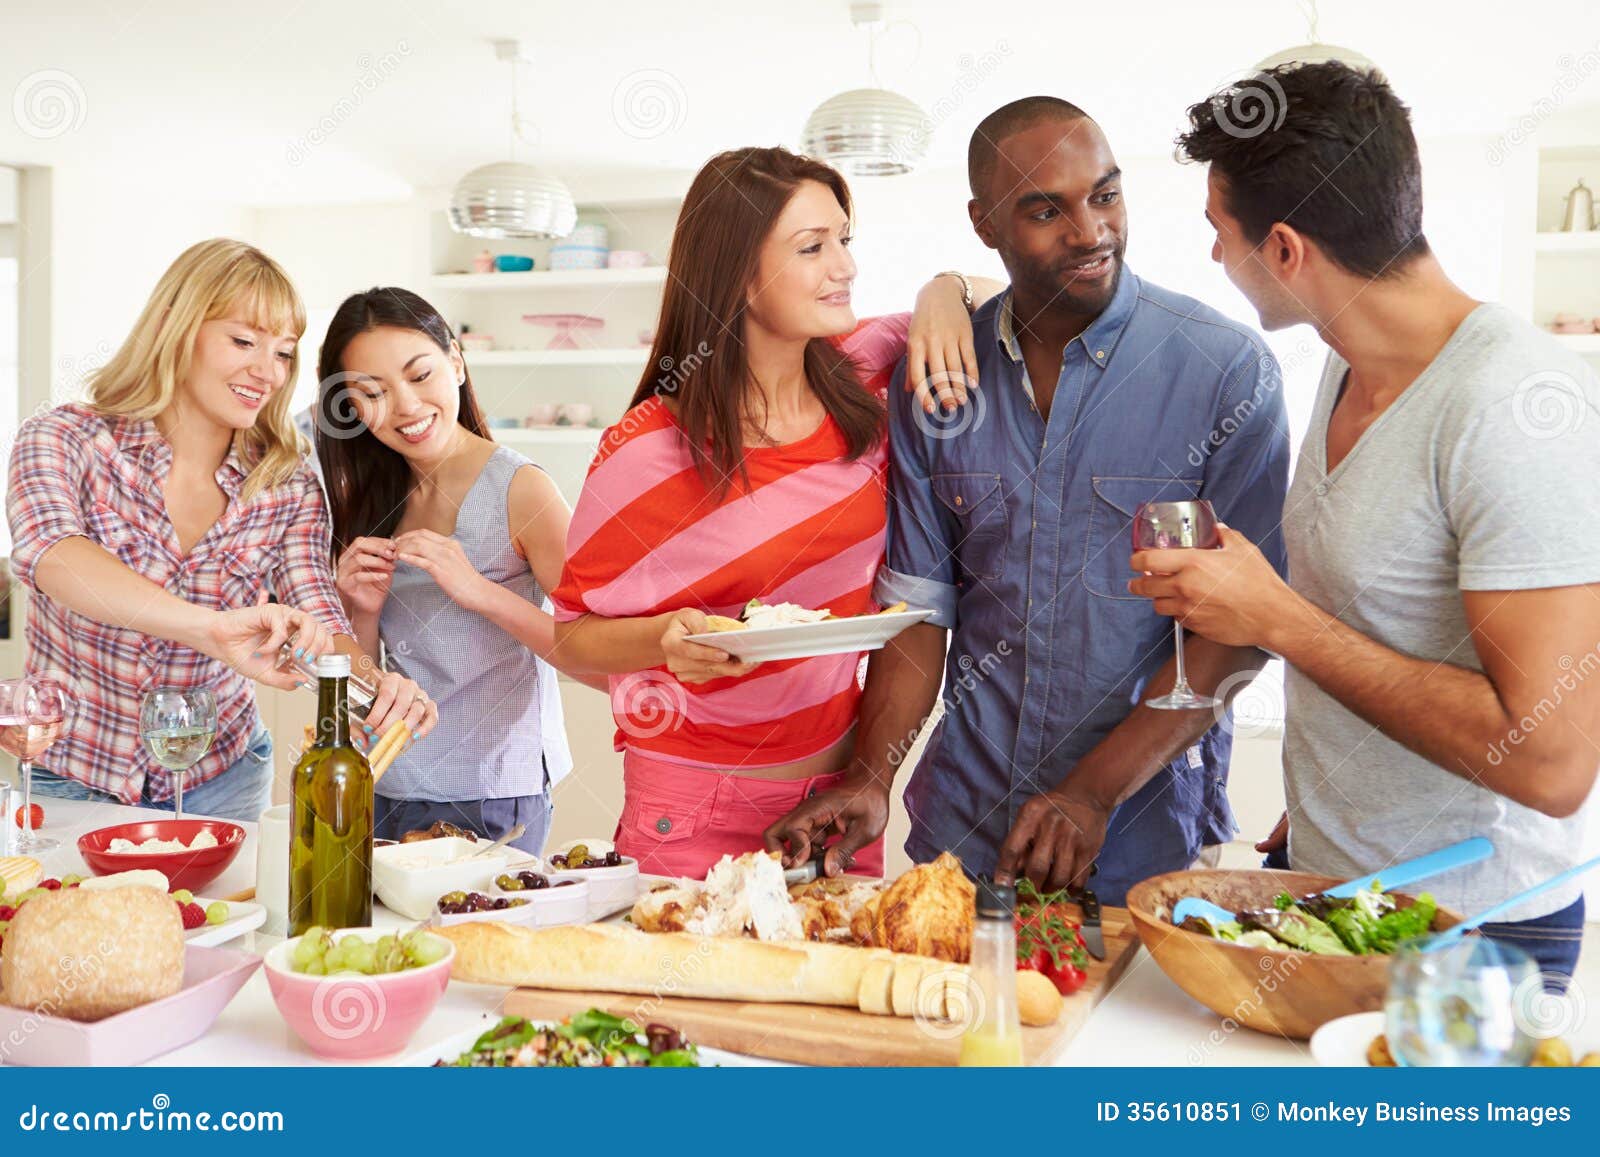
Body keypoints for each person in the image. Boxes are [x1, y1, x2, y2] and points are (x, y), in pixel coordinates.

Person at [1128, 61, 1600, 977]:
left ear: (1288, 250)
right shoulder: (1347, 367)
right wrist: (1321, 802)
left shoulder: (1513, 406)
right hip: (1332, 886)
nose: (1215, 259)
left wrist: (1272, 616)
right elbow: (1384, 620)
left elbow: (1553, 762)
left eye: (1220, 234)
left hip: (1470, 936)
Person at [766, 98, 1291, 907]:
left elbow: (1237, 634)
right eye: (1047, 210)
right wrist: (872, 776)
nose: (1091, 231)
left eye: (1106, 195)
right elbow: (921, 612)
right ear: (985, 224)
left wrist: (1093, 791)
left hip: (1142, 841)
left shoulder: (1223, 374)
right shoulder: (939, 383)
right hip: (964, 834)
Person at [550, 145, 990, 879]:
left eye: (844, 239)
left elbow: (1002, 296)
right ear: (739, 275)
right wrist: (664, 638)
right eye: (813, 247)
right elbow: (571, 637)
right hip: (694, 805)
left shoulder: (863, 365)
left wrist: (941, 288)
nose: (844, 265)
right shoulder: (645, 449)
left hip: (839, 800)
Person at [6, 239, 436, 821]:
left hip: (223, 781)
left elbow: (321, 621)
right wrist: (209, 629)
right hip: (72, 781)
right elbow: (51, 556)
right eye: (243, 342)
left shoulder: (286, 481)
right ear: (176, 329)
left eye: (284, 353)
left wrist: (376, 688)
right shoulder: (65, 439)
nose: (267, 372)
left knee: (222, 916)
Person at [317, 287, 603, 855]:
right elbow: (366, 676)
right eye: (372, 393)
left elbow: (596, 655)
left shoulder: (522, 490)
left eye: (420, 375)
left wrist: (479, 591)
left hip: (493, 792)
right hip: (386, 780)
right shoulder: (370, 495)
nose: (405, 407)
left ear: (456, 362)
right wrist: (362, 613)